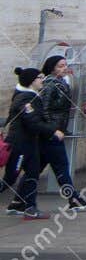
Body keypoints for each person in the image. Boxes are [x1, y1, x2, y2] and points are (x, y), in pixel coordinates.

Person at [35, 55, 86, 210]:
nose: (64, 68)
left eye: (65, 65)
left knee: (34, 170)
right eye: (60, 66)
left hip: (56, 130)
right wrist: (52, 130)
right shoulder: (49, 84)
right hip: (51, 133)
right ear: (52, 67)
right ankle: (74, 198)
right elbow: (44, 109)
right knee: (61, 166)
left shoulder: (61, 83)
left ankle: (19, 201)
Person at [4, 68, 48, 221]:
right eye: (40, 77)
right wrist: (53, 130)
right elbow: (32, 122)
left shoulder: (33, 96)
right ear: (31, 81)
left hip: (31, 144)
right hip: (20, 144)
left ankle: (30, 207)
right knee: (10, 178)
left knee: (33, 174)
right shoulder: (25, 98)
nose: (43, 79)